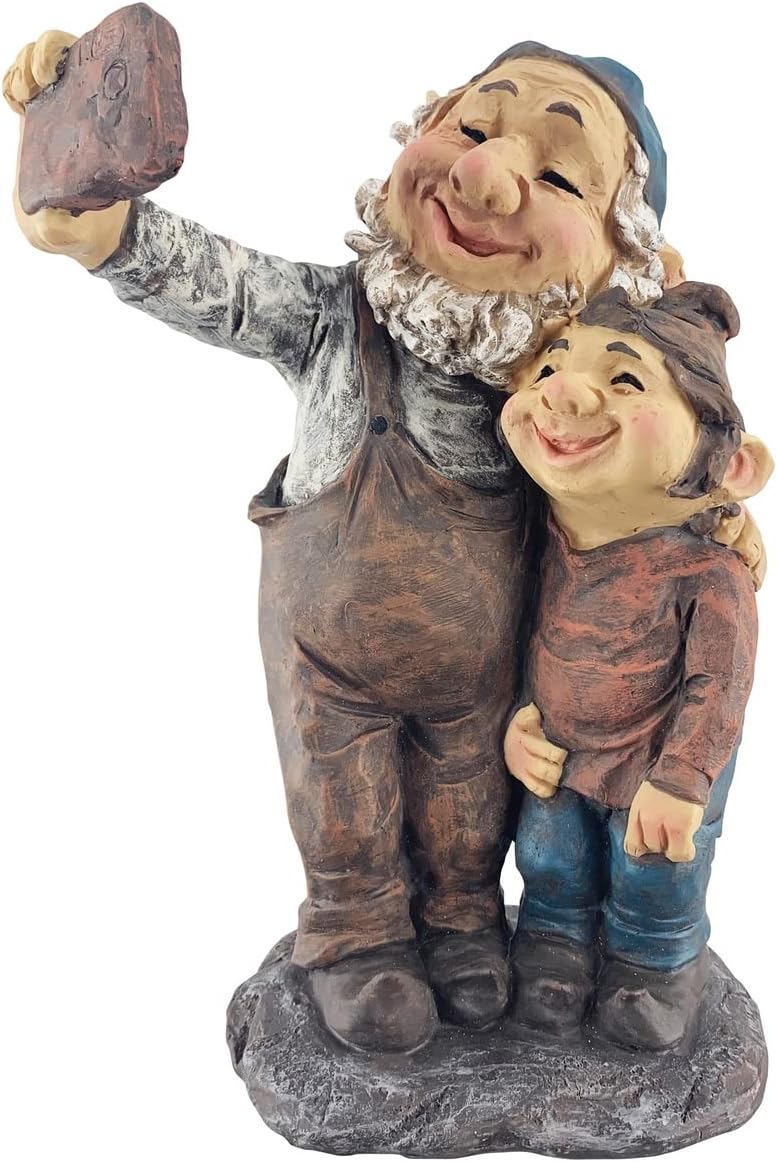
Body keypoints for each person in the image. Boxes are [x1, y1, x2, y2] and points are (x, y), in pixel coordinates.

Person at [3, 28, 755, 1053]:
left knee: (468, 816)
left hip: (488, 681)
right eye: (473, 130)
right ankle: (357, 935)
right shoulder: (328, 321)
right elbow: (217, 281)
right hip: (330, 668)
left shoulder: (558, 375)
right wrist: (100, 218)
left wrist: (714, 514)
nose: (485, 178)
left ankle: (461, 923)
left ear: (614, 254)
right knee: (341, 809)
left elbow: (645, 487)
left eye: (556, 177)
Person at [501, 282, 772, 1050]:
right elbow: (515, 637)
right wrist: (516, 722)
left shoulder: (705, 576)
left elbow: (718, 687)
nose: (563, 392)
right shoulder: (536, 541)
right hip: (560, 753)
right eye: (550, 365)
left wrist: (682, 780)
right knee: (550, 858)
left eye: (624, 379)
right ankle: (553, 948)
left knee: (653, 872)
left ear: (729, 465)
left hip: (660, 764)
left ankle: (651, 966)